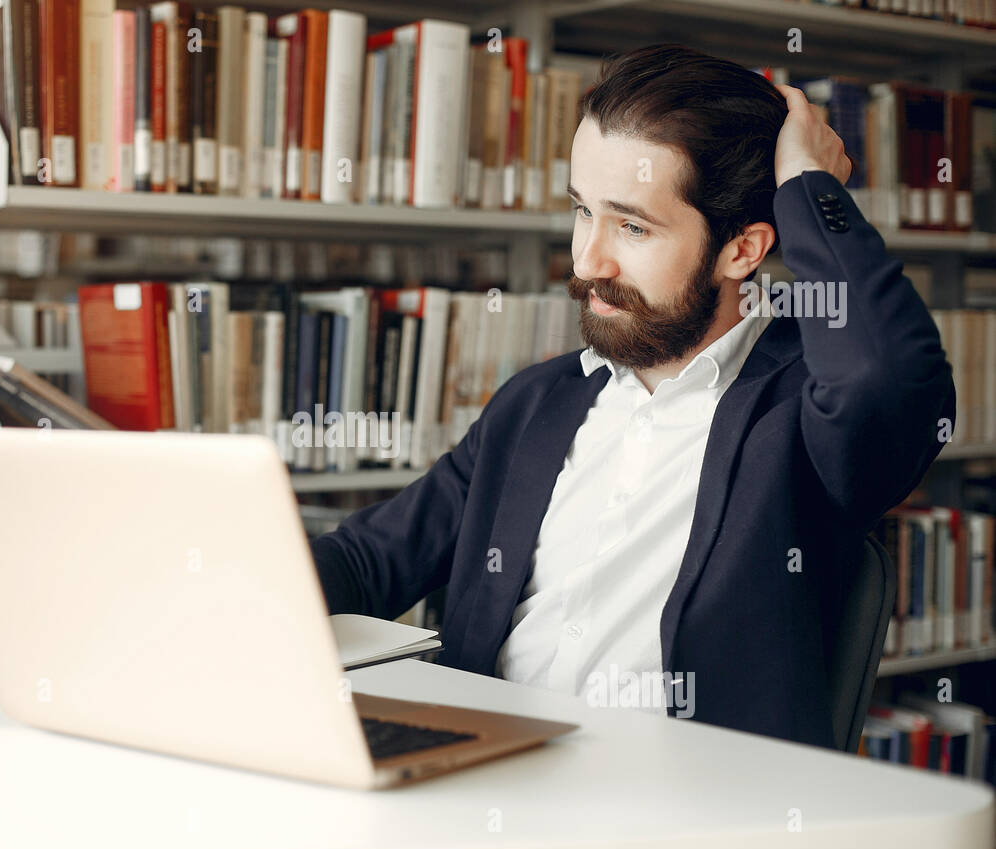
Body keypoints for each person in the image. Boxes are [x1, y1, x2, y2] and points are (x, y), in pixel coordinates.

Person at [310, 44, 955, 749]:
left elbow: (887, 376)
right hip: (484, 789)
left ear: (742, 250)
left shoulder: (804, 414)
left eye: (632, 226)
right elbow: (367, 561)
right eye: (584, 212)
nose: (588, 261)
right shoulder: (538, 403)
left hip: (683, 822)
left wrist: (807, 187)